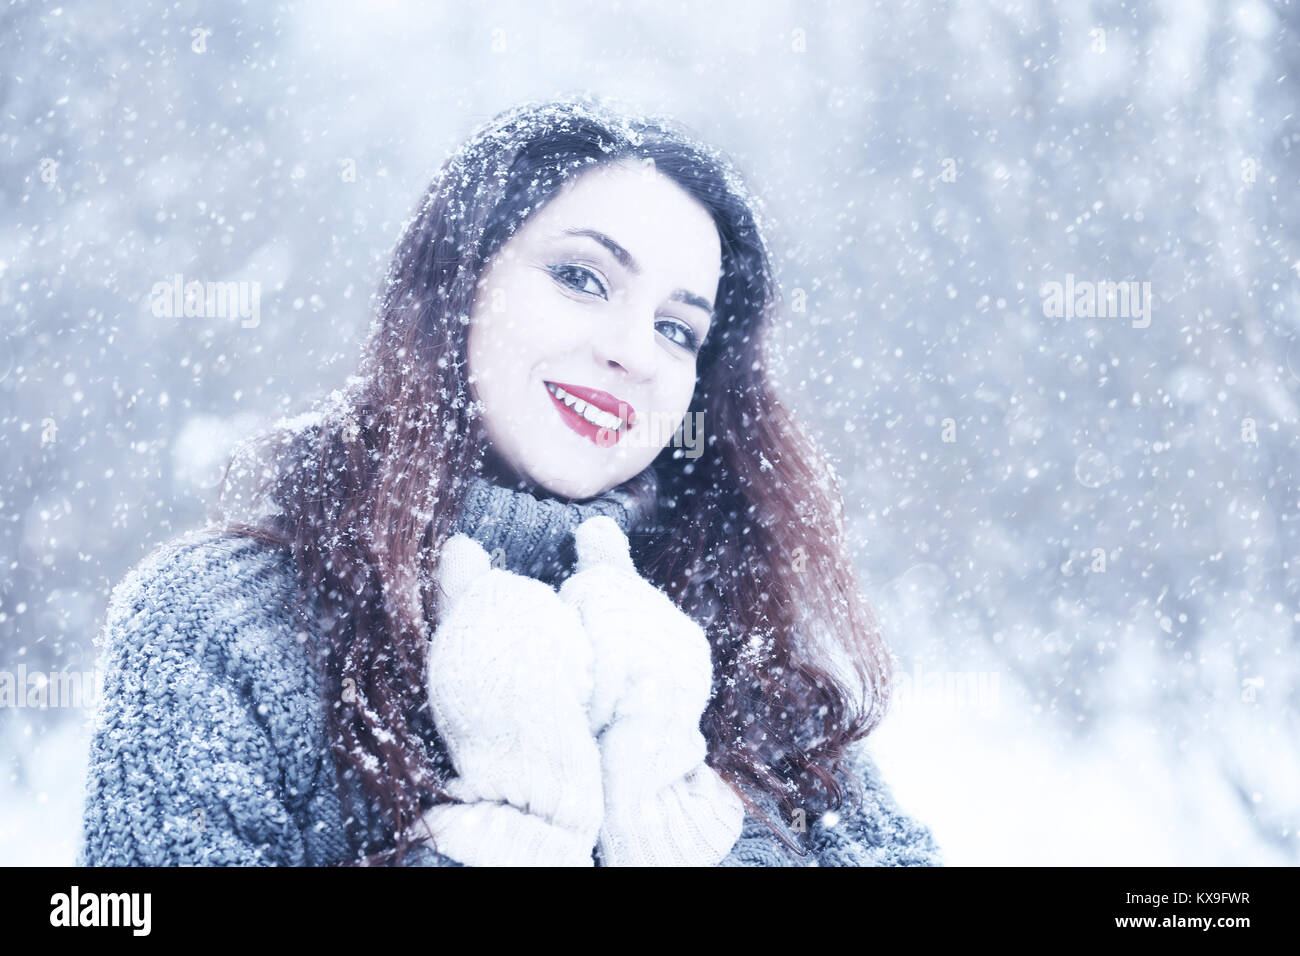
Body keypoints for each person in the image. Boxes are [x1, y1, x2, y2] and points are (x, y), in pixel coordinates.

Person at [77, 96, 943, 867]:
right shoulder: (228, 625)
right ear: (456, 284)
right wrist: (498, 838)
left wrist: (706, 840)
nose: (634, 352)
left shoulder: (730, 647)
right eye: (581, 278)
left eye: (679, 329)